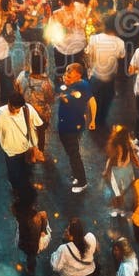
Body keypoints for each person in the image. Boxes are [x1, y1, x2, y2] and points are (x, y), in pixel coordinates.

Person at [0, 92, 42, 194]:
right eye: (13, 107)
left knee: (27, 172)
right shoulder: (0, 113)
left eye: (17, 108)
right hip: (11, 151)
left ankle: (23, 191)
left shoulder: (28, 109)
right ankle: (17, 190)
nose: (15, 110)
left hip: (27, 149)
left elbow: (39, 125)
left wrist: (37, 147)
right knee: (14, 174)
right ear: (8, 103)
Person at [57, 62, 96, 193]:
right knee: (71, 152)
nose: (67, 77)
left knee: (74, 154)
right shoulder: (72, 85)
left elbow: (92, 101)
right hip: (66, 124)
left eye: (70, 75)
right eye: (66, 74)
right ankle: (76, 174)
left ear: (78, 76)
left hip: (71, 127)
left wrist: (93, 120)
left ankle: (82, 181)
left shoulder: (82, 86)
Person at [86, 15, 127, 130]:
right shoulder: (120, 42)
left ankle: (93, 120)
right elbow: (121, 58)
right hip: (110, 78)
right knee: (107, 100)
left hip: (95, 75)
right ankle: (101, 120)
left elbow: (89, 54)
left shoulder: (94, 39)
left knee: (95, 100)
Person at [14, 47, 54, 153]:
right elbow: (50, 99)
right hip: (41, 115)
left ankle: (26, 149)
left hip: (24, 112)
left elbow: (17, 89)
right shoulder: (46, 83)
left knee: (26, 131)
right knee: (41, 134)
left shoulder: (22, 76)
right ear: (44, 66)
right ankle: (39, 151)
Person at [11, 188, 48, 275]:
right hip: (30, 242)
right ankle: (30, 266)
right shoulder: (34, 215)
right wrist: (43, 230)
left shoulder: (27, 221)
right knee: (31, 255)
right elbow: (44, 215)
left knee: (31, 256)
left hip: (30, 244)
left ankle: (31, 269)